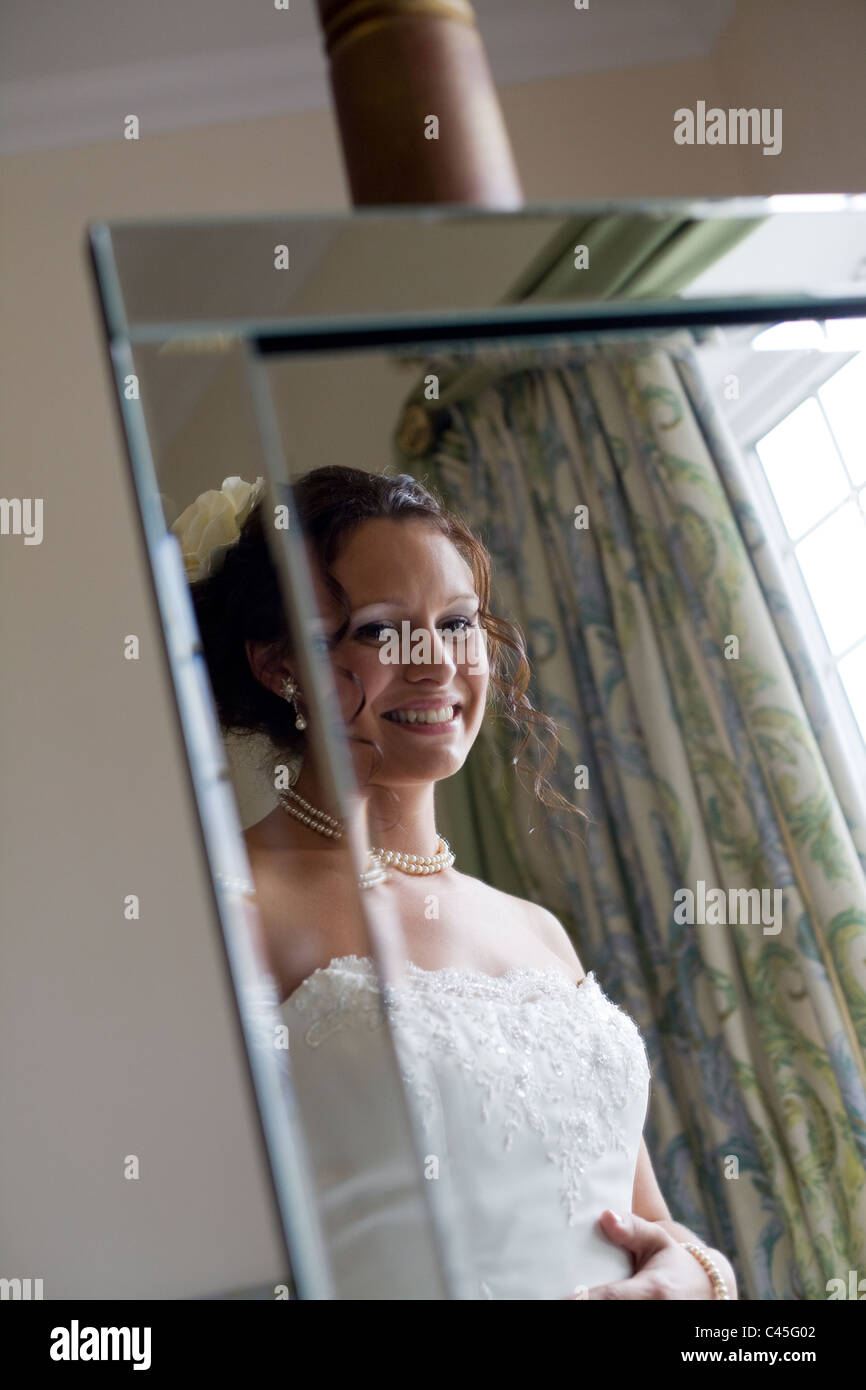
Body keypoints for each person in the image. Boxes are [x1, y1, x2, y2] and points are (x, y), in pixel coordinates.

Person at [179, 465, 737, 1301]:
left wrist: (696, 1275)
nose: (435, 663)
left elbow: (649, 1223)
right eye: (379, 631)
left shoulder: (538, 930)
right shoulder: (231, 907)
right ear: (278, 665)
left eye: (457, 622)